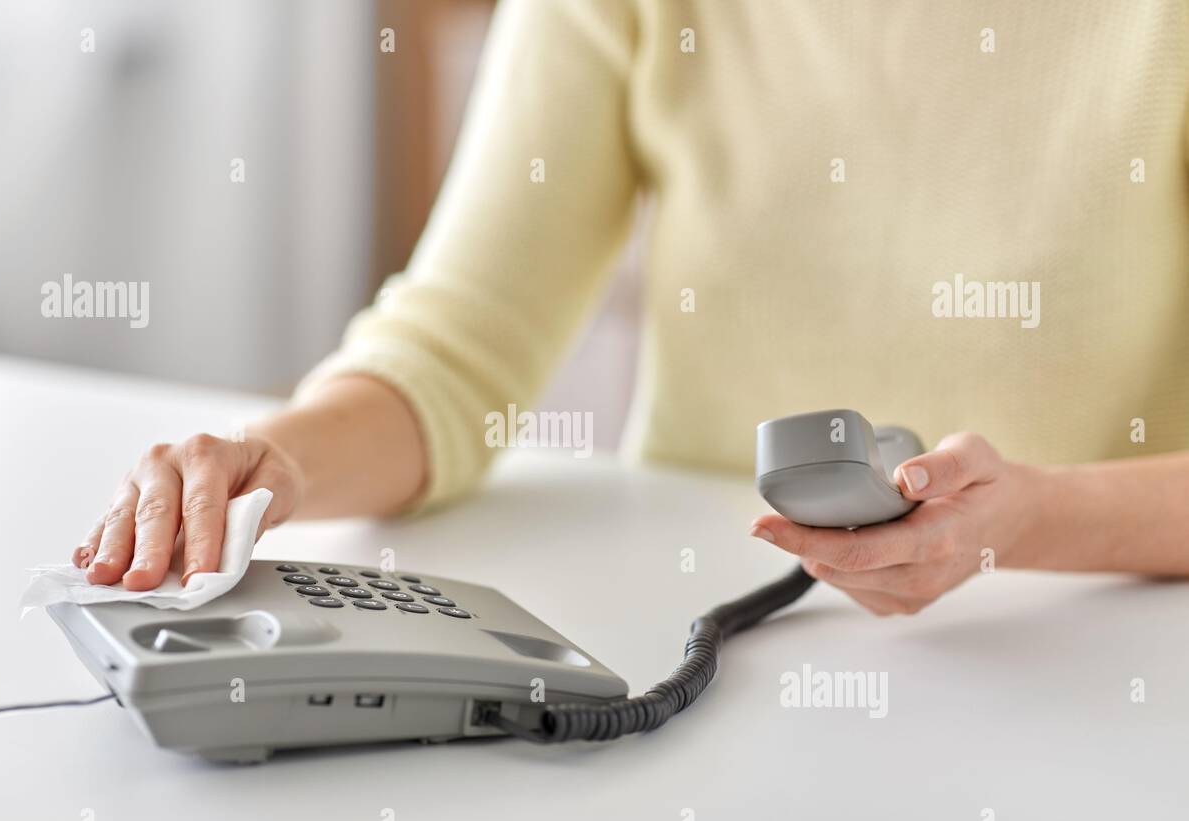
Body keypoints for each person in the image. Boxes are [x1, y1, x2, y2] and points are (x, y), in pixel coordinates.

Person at [72, 0, 1189, 616]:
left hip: (1100, 636)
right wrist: (279, 465)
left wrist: (1029, 520)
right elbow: (456, 348)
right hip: (710, 627)